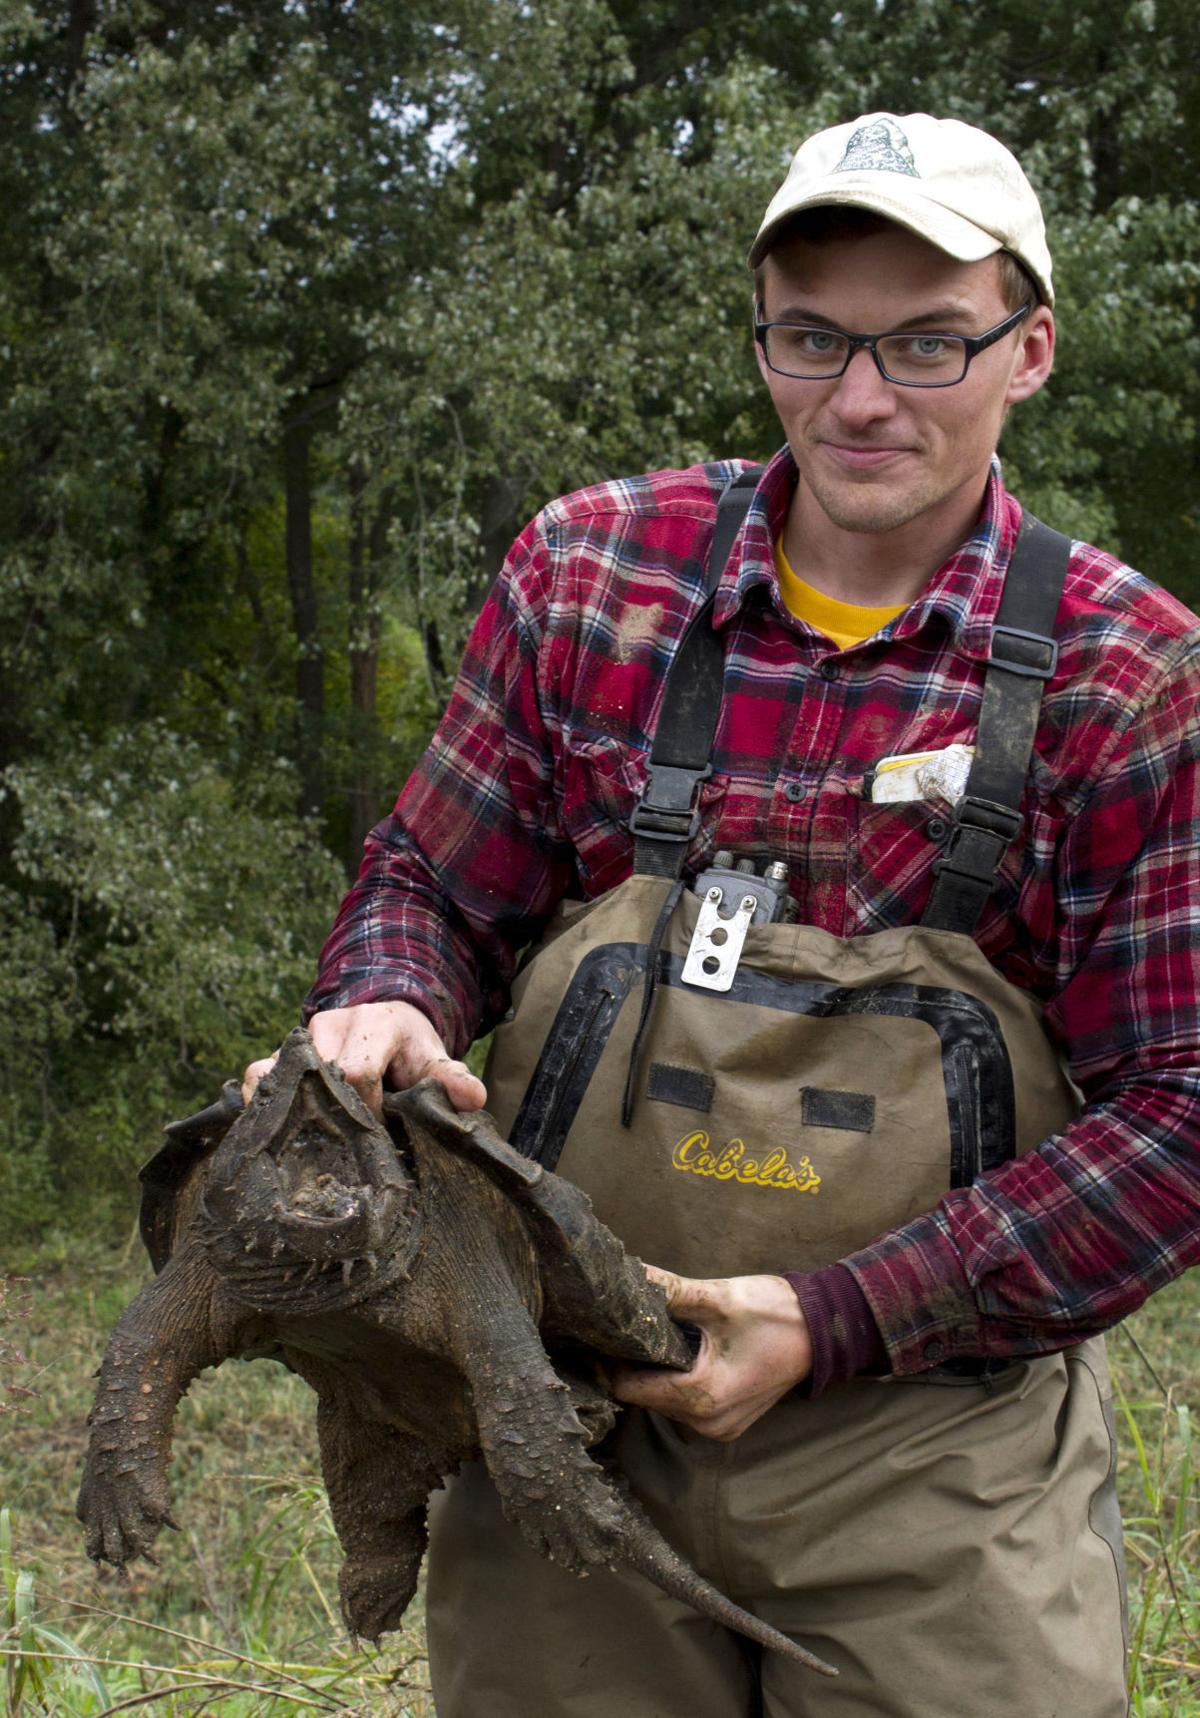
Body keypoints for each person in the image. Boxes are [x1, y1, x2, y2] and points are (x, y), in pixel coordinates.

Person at [245, 112, 1200, 1716]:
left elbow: (1183, 1111)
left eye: (927, 342)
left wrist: (839, 1317)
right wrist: (392, 990)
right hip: (566, 1426)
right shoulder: (591, 575)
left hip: (933, 1465)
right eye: (814, 336)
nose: (862, 396)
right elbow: (427, 882)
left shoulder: (1133, 678)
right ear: (761, 325)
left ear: (1029, 349)